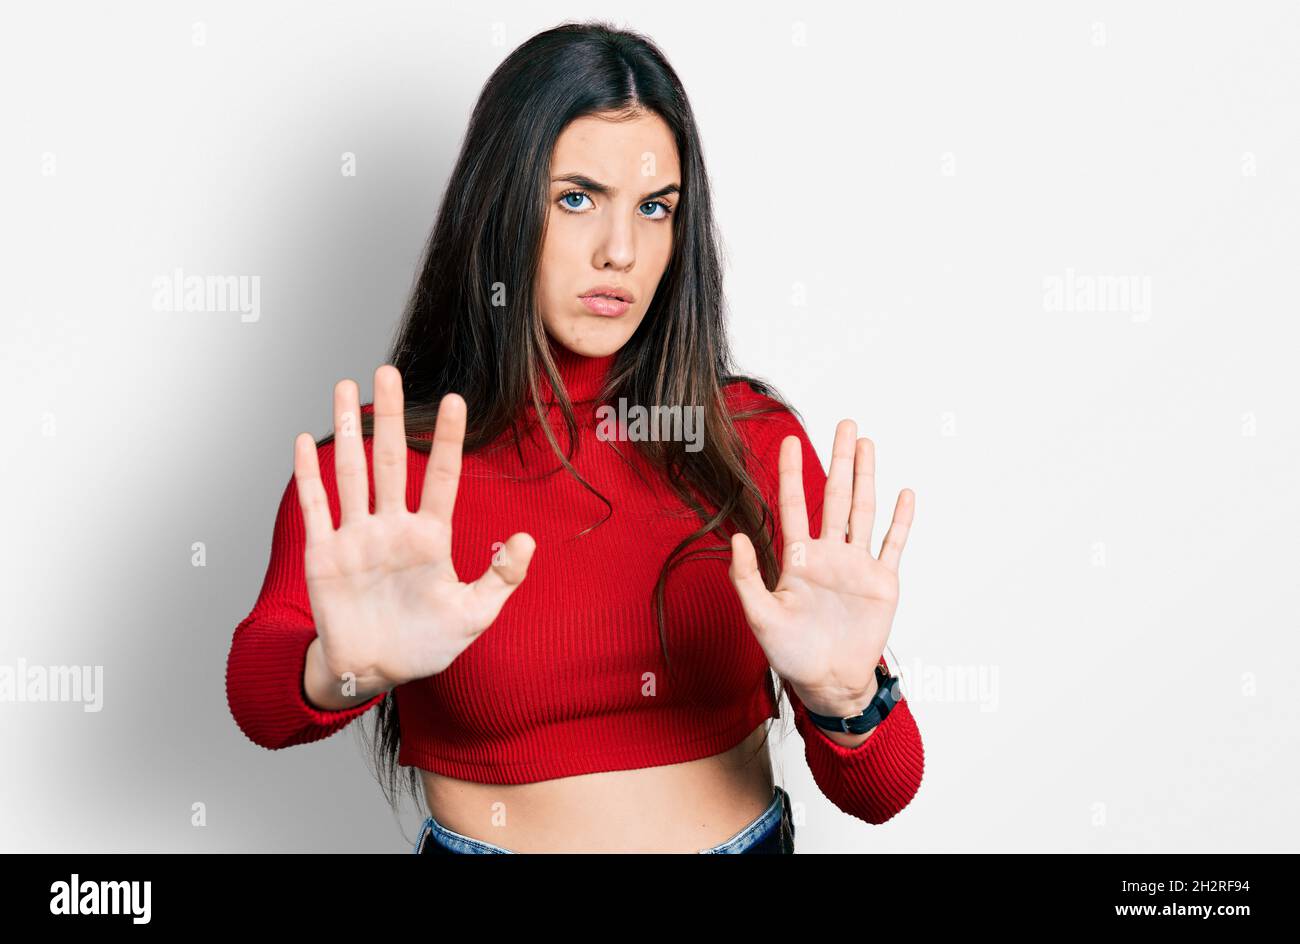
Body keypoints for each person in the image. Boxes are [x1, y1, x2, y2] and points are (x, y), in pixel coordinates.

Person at [225, 20, 924, 854]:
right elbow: (260, 701)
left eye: (655, 208)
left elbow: (884, 791)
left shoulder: (752, 442)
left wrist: (847, 698)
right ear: (502, 205)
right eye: (577, 198)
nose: (621, 251)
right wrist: (346, 670)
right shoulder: (392, 471)